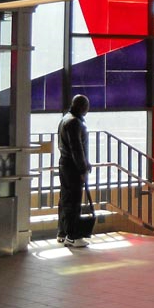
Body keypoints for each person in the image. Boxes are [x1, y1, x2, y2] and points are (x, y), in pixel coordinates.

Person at [57, 94, 92, 248]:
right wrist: (83, 168)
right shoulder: (75, 122)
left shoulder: (65, 119)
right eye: (86, 106)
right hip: (72, 167)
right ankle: (73, 236)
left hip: (64, 164)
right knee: (74, 201)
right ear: (82, 107)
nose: (87, 109)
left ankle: (62, 233)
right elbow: (76, 149)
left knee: (65, 199)